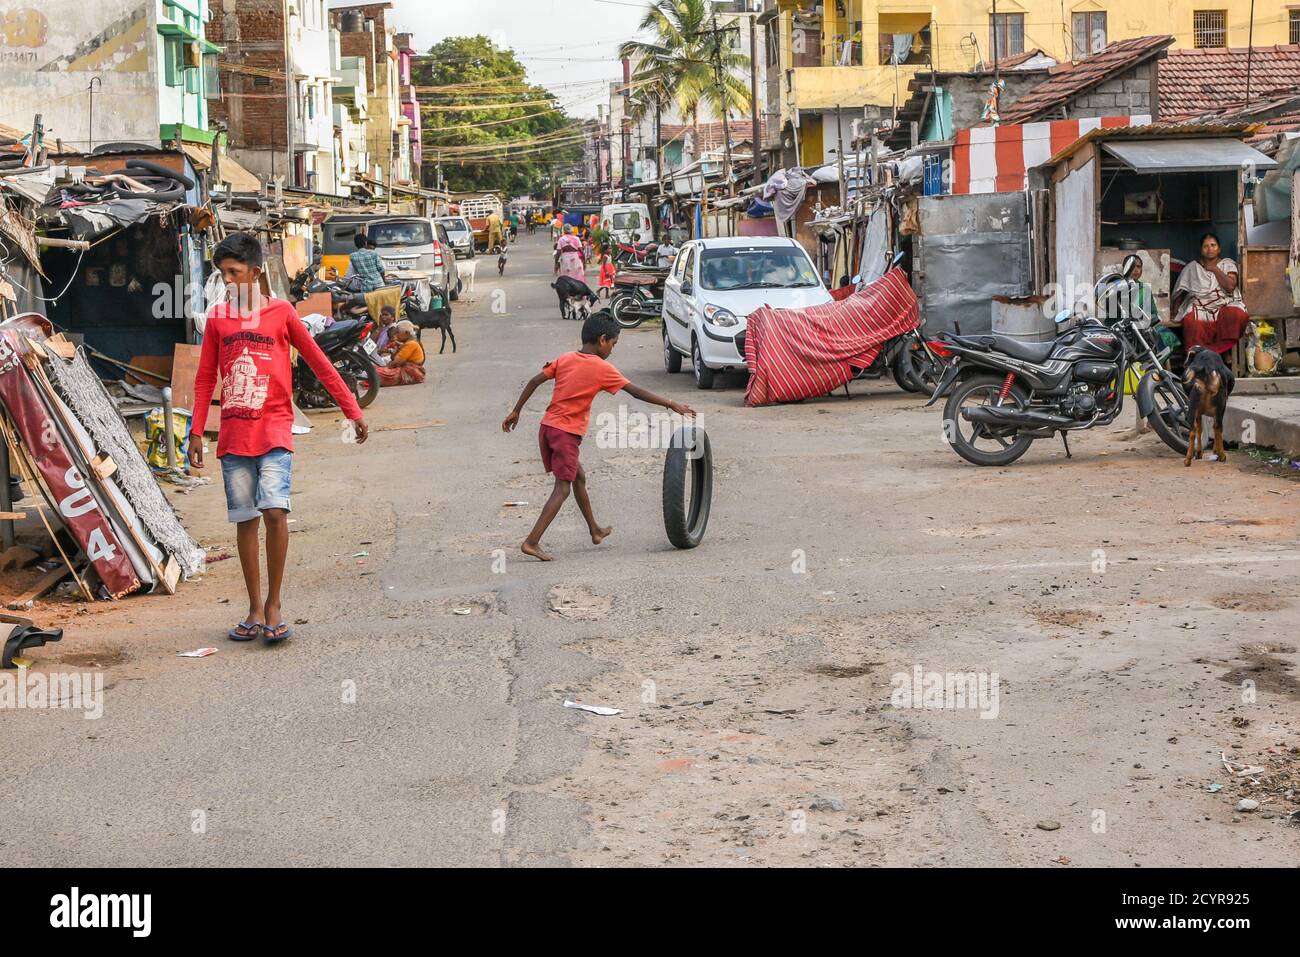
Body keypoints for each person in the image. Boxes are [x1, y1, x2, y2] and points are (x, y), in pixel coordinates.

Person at [189, 232, 368, 644]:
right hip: (233, 436)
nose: (228, 281)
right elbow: (204, 379)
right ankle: (253, 606)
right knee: (246, 521)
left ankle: (274, 603)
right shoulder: (218, 317)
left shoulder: (282, 312)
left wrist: (351, 409)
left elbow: (319, 363)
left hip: (273, 430)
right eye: (222, 274)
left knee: (275, 512)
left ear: (254, 272)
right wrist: (197, 430)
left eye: (234, 273)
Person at [501, 312, 695, 562]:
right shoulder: (602, 368)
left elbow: (535, 380)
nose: (612, 350)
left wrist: (516, 410)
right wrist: (671, 404)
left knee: (578, 476)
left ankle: (595, 529)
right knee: (562, 488)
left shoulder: (566, 358)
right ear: (603, 340)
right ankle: (532, 541)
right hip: (566, 433)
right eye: (613, 344)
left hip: (548, 428)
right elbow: (634, 391)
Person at [1172, 232, 1251, 354]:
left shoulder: (1227, 264)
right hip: (1199, 304)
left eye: (1213, 245)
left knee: (1238, 315)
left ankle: (1223, 351)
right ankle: (1197, 355)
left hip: (1224, 302)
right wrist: (1174, 312)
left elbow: (1230, 286)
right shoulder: (1193, 267)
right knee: (1190, 320)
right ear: (1201, 250)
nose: (1210, 249)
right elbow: (1180, 291)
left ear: (1219, 249)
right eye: (1206, 246)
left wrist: (1214, 269)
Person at [377, 320, 426, 386]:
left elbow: (397, 362)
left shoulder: (411, 344)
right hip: (410, 370)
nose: (396, 335)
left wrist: (386, 367)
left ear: (406, 333)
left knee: (377, 372)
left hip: (411, 372)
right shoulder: (410, 342)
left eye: (398, 332)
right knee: (375, 369)